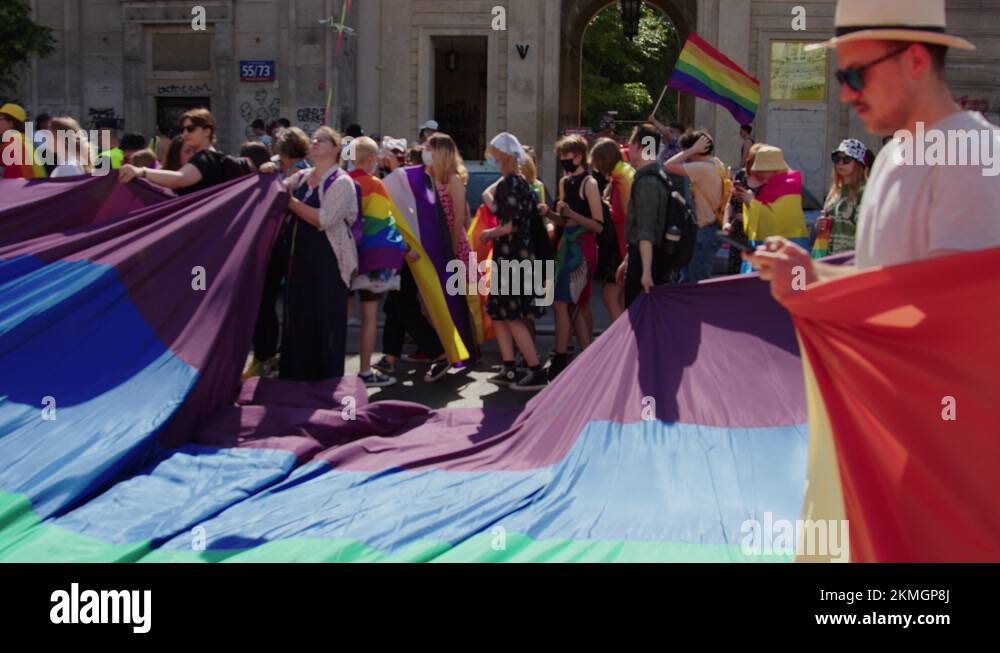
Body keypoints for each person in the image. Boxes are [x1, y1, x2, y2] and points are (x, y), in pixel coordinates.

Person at [748, 0, 1000, 300]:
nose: (845, 94)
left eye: (856, 75)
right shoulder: (892, 154)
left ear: (915, 61)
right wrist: (808, 273)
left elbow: (954, 308)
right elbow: (884, 279)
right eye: (841, 78)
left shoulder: (976, 155)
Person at [280, 126, 359, 381]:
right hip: (300, 258)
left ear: (336, 149)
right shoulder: (301, 177)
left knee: (325, 321)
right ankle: (296, 379)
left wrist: (290, 202)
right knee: (298, 317)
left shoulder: (343, 182)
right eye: (313, 139)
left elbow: (323, 219)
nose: (314, 143)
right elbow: (275, 191)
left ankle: (326, 381)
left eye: (321, 140)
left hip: (329, 261)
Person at [479, 133, 548, 391]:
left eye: (496, 153)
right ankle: (510, 368)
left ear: (505, 155)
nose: (492, 157)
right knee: (500, 314)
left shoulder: (510, 184)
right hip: (518, 256)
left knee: (511, 316)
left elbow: (509, 225)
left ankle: (534, 370)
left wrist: (488, 234)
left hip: (512, 257)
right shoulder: (521, 183)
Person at [349, 137, 408, 387]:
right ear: (372, 160)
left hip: (343, 256)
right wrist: (404, 248)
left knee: (340, 315)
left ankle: (330, 370)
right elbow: (385, 222)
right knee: (369, 318)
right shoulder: (375, 184)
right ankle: (365, 371)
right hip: (371, 257)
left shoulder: (343, 181)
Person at [548, 135, 604, 380]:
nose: (562, 160)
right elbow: (564, 220)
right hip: (566, 246)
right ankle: (588, 357)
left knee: (562, 303)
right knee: (576, 305)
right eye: (560, 156)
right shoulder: (564, 182)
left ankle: (560, 358)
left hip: (582, 248)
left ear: (578, 156)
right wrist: (551, 214)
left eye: (565, 156)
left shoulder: (589, 183)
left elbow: (598, 225)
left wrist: (570, 214)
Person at [118, 108, 266, 194]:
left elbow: (179, 179)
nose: (184, 134)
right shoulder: (222, 160)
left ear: (207, 131)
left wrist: (141, 171)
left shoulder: (205, 158)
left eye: (190, 129)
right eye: (182, 130)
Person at [618, 123, 685, 308]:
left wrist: (645, 272)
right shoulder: (657, 176)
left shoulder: (647, 182)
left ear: (640, 147)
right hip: (644, 258)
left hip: (646, 262)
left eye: (630, 144)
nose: (628, 149)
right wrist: (628, 260)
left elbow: (646, 230)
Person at [666, 129, 732, 283]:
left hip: (705, 231)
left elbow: (669, 165)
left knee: (697, 280)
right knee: (693, 276)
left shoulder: (702, 168)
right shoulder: (716, 163)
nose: (686, 156)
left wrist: (692, 150)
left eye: (687, 150)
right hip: (712, 226)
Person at [732, 145, 808, 273]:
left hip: (791, 256)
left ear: (775, 169)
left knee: (796, 289)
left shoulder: (789, 185)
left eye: (762, 169)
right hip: (774, 255)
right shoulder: (774, 184)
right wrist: (751, 203)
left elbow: (776, 220)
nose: (758, 173)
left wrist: (751, 202)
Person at [590, 137, 634, 322]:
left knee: (610, 297)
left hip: (623, 246)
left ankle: (624, 341)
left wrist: (627, 255)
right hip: (623, 245)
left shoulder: (622, 178)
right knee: (619, 298)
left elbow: (628, 216)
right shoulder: (623, 173)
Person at [812, 138, 870, 258]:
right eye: (837, 159)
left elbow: (866, 233)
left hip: (850, 261)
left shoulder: (864, 191)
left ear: (859, 163)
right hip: (827, 257)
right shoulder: (835, 191)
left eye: (846, 159)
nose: (840, 163)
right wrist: (819, 225)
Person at [0, 103, 46, 179]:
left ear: (11, 122)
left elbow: (11, 182)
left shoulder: (14, 145)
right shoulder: (22, 140)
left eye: (0, 119)